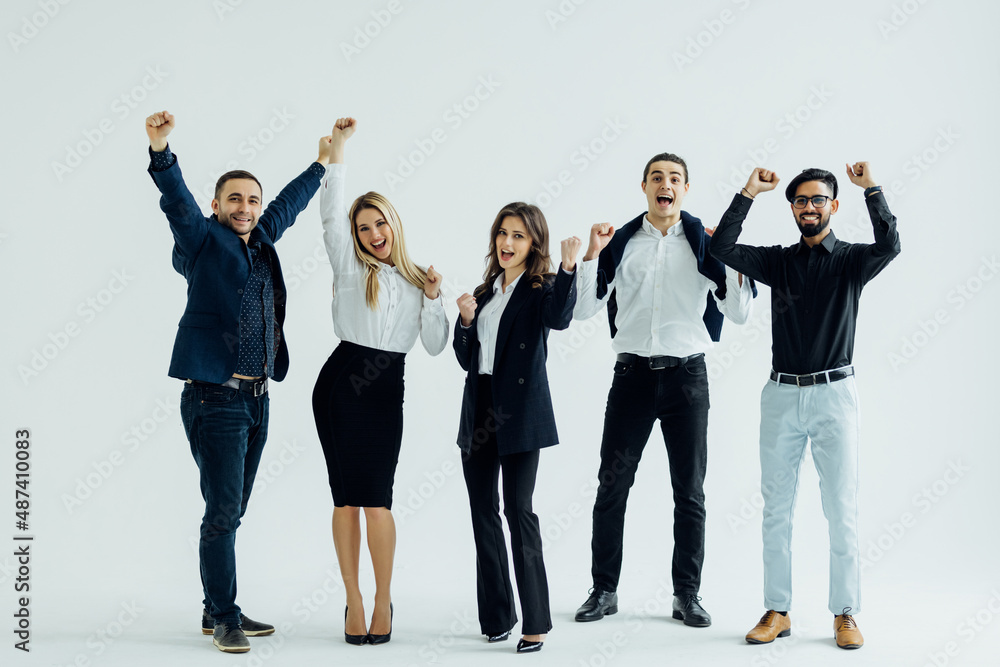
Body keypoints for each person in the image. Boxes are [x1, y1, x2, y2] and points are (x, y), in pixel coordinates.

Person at [145, 111, 328, 653]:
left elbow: (287, 207)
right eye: (235, 200)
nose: (246, 208)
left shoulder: (262, 238)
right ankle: (224, 616)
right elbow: (176, 201)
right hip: (215, 397)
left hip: (258, 397)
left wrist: (323, 161)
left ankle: (213, 607)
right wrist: (161, 151)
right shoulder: (202, 241)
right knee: (222, 512)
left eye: (252, 200)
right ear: (217, 206)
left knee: (233, 509)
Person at [709, 163, 900, 650]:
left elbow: (890, 245)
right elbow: (722, 248)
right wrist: (748, 192)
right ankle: (777, 610)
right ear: (792, 209)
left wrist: (871, 190)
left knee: (841, 509)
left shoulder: (854, 261)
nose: (809, 207)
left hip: (835, 394)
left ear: (833, 206)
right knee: (776, 509)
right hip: (781, 395)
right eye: (800, 201)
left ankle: (846, 613)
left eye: (818, 200)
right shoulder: (778, 262)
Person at [573, 153, 755, 627]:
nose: (665, 184)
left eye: (674, 178)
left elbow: (738, 315)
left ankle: (686, 596)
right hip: (630, 377)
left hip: (686, 381)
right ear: (644, 187)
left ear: (685, 189)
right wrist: (592, 254)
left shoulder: (705, 244)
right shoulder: (622, 243)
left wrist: (732, 258)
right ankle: (604, 590)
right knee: (611, 487)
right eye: (657, 177)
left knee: (689, 493)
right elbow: (583, 310)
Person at [313, 117, 447, 646]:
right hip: (341, 384)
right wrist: (337, 152)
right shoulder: (348, 266)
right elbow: (329, 213)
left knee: (379, 499)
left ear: (394, 224)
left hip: (386, 388)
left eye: (379, 224)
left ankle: (384, 597)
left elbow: (435, 345)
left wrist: (435, 296)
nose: (373, 235)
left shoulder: (418, 281)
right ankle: (353, 599)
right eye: (364, 227)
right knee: (346, 498)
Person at [454, 203, 580, 654]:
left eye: (519, 236)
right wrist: (466, 321)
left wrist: (568, 268)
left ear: (534, 244)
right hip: (480, 408)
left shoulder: (541, 288)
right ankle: (497, 617)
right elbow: (466, 358)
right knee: (482, 512)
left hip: (521, 411)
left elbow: (560, 318)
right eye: (503, 234)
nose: (507, 243)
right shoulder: (484, 293)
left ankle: (536, 622)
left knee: (518, 511)